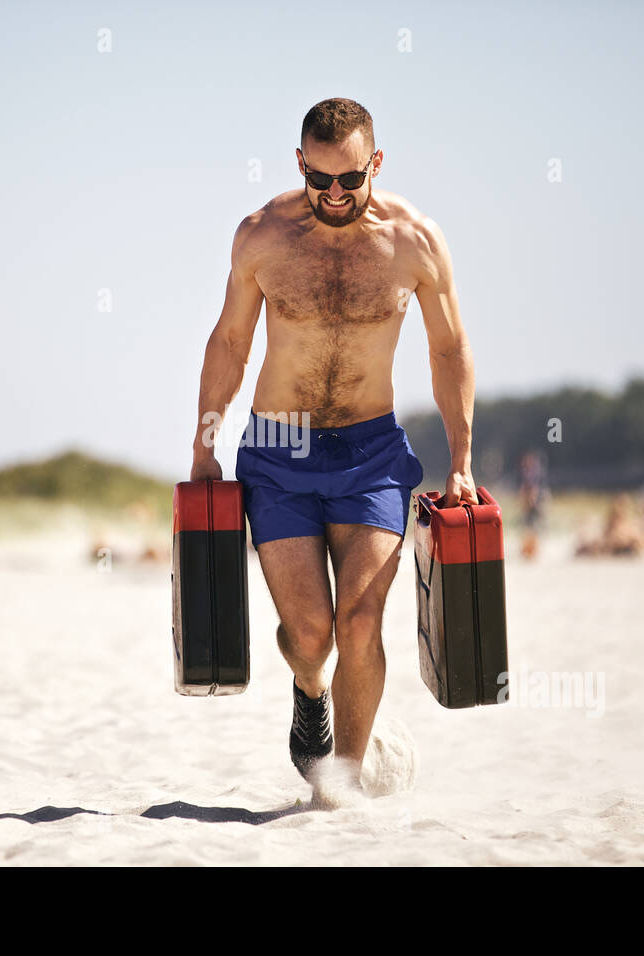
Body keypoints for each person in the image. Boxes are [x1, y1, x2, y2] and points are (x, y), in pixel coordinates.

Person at [189, 99, 476, 788]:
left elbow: (448, 347)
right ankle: (310, 688)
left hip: (371, 451)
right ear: (299, 164)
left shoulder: (414, 240)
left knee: (359, 620)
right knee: (312, 634)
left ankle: (340, 785)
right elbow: (231, 341)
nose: (335, 195)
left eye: (350, 179)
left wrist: (461, 458)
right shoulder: (263, 235)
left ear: (375, 163)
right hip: (280, 447)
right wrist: (204, 443)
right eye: (320, 180)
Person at [518, 450, 548, 560]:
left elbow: (534, 489)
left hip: (535, 502)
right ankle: (529, 548)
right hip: (531, 501)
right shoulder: (529, 472)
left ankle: (532, 549)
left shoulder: (534, 473)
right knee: (530, 525)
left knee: (533, 525)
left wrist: (531, 501)